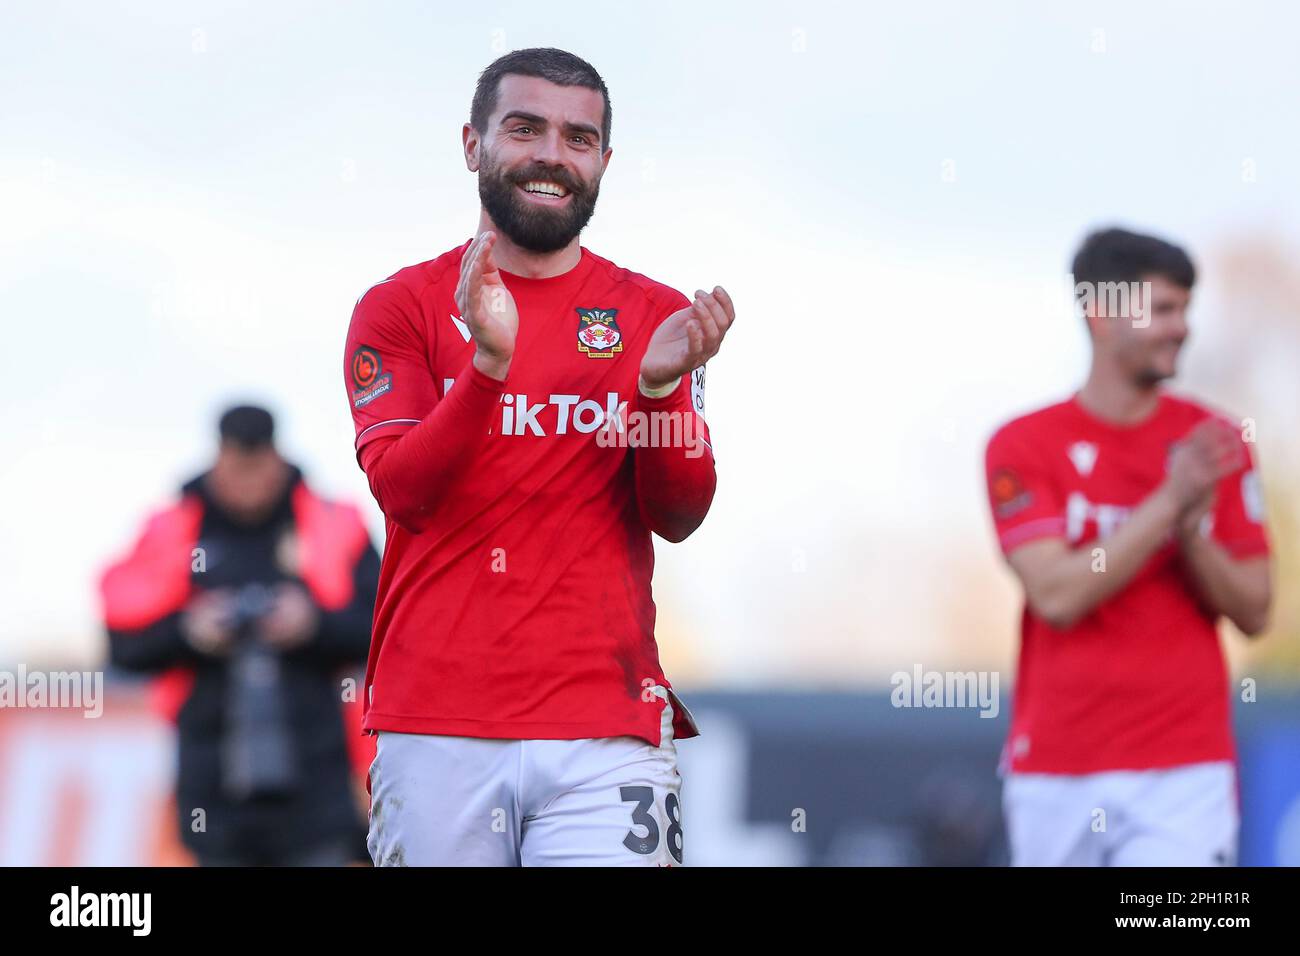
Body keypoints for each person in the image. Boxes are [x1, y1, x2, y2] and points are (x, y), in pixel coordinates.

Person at [344, 47, 735, 866]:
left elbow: (681, 515)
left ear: (603, 160)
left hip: (606, 727)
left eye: (578, 137)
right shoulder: (399, 308)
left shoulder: (655, 315)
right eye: (525, 129)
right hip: (437, 724)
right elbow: (404, 491)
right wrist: (489, 368)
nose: (552, 156)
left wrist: (662, 390)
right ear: (472, 144)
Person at [984, 227, 1273, 866]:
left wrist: (1194, 532)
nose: (1182, 328)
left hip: (1183, 770)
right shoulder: (1022, 445)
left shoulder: (1215, 443)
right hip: (1056, 765)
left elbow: (1255, 610)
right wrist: (1171, 502)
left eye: (1186, 310)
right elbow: (1058, 594)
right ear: (1103, 316)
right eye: (1163, 309)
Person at [100, 405, 380, 866]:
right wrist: (190, 631)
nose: (248, 485)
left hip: (320, 790)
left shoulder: (333, 524)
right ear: (219, 462)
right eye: (238, 470)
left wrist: (313, 625)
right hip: (213, 793)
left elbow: (384, 630)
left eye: (258, 470)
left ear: (277, 461)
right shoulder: (175, 531)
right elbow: (124, 645)